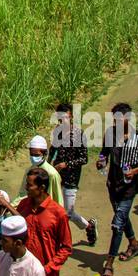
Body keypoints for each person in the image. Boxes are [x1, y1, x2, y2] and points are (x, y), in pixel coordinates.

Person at [96, 103, 138, 276]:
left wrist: (136, 171)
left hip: (129, 188)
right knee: (122, 217)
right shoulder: (110, 135)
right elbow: (104, 154)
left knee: (117, 224)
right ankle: (134, 244)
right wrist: (101, 162)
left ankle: (109, 264)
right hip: (113, 186)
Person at [11, 166, 72, 276]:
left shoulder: (58, 213)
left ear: (42, 188)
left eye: (30, 185)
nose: (26, 188)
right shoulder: (23, 205)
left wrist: (47, 269)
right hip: (23, 273)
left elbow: (66, 248)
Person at [48, 103, 97, 246]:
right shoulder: (57, 132)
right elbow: (52, 150)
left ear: (71, 117)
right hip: (57, 177)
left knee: (68, 213)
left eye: (65, 117)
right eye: (60, 117)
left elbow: (84, 158)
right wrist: (47, 165)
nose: (62, 120)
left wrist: (66, 164)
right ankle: (59, 240)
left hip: (71, 178)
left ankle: (88, 226)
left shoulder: (78, 134)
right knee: (58, 210)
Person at [18, 134, 63, 205]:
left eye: (36, 155)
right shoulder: (29, 170)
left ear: (44, 154)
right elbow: (22, 194)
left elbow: (58, 199)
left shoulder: (52, 174)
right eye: (31, 154)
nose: (33, 157)